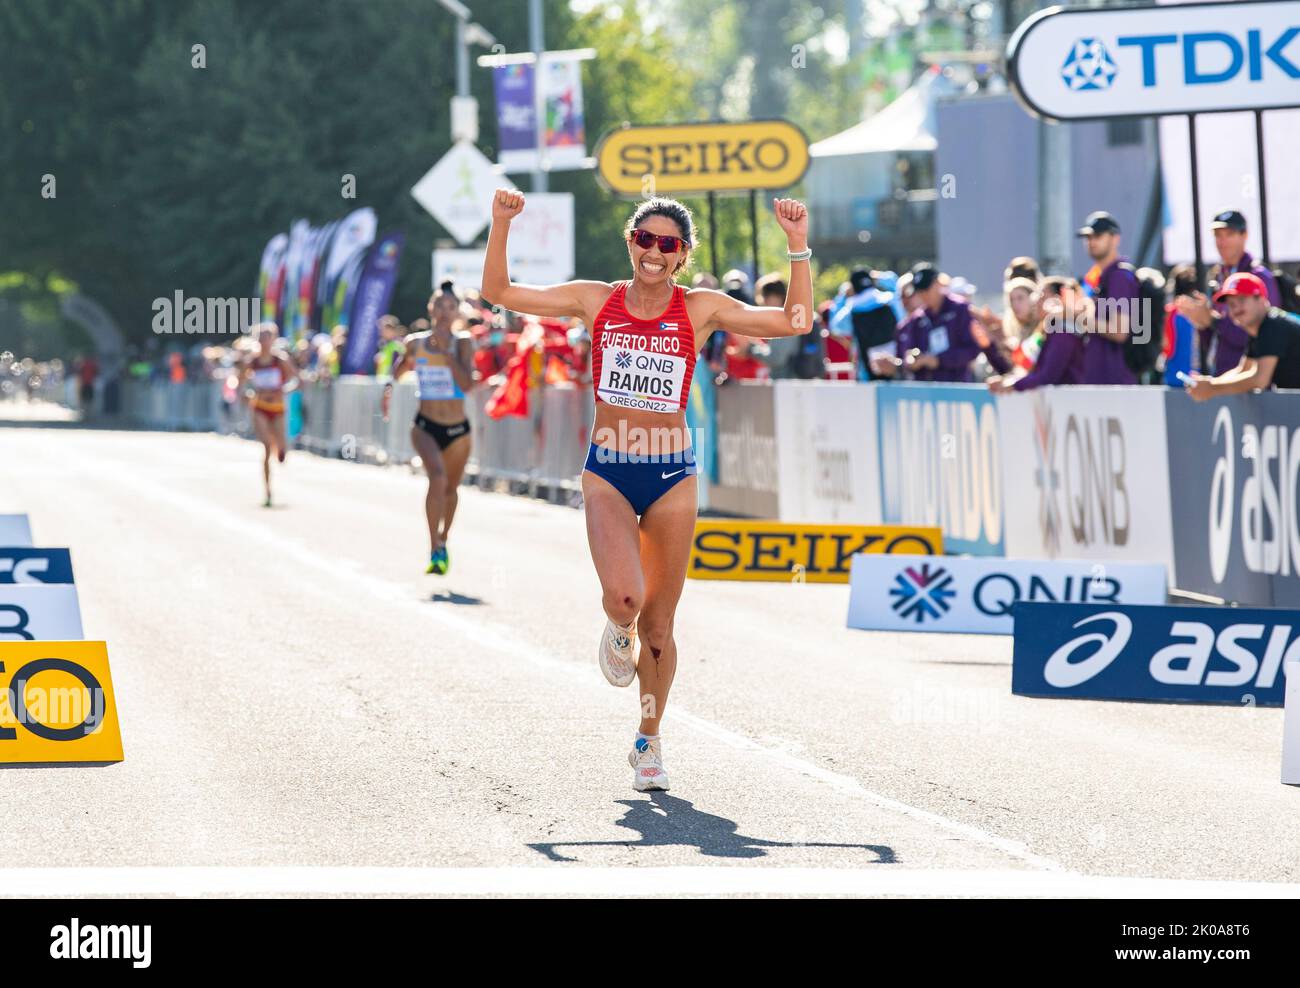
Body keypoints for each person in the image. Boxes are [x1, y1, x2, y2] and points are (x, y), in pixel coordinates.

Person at [481, 189, 812, 791]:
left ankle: (649, 740)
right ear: (630, 243)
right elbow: (501, 295)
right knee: (626, 601)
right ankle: (616, 626)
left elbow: (794, 323)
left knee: (661, 626)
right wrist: (501, 225)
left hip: (671, 476)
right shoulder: (595, 299)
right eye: (645, 240)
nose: (654, 253)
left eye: (668, 245)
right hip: (609, 469)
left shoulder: (700, 307)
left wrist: (796, 247)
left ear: (682, 256)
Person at [387, 283, 476, 575]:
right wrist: (392, 382)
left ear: (457, 312)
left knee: (451, 488)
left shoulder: (462, 342)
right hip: (425, 425)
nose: (444, 311)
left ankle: (444, 539)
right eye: (439, 305)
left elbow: (467, 384)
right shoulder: (415, 342)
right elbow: (398, 372)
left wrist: (447, 355)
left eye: (451, 306)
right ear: (431, 308)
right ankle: (433, 545)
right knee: (436, 478)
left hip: (457, 430)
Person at [1175, 209, 1281, 376]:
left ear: (1244, 235)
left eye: (1229, 234)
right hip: (1225, 377)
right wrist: (1202, 323)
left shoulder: (1258, 276)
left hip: (1252, 381)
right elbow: (1218, 340)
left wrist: (1212, 320)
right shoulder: (1218, 276)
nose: (1222, 241)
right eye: (1218, 235)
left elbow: (1262, 335)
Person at [883, 263, 1012, 382]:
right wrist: (912, 361)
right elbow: (907, 353)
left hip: (956, 388)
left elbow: (972, 349)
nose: (924, 295)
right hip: (926, 390)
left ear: (937, 284)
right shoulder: (917, 319)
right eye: (920, 291)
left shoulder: (960, 310)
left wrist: (939, 361)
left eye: (927, 290)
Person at [1186, 273, 1300, 400]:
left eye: (1242, 300)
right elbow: (1243, 370)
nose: (1236, 308)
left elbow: (1259, 379)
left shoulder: (1272, 325)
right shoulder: (1260, 329)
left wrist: (1211, 387)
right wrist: (1208, 383)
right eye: (1231, 304)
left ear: (1261, 299)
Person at [987, 277, 1088, 392]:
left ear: (1059, 300)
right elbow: (1033, 371)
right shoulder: (1050, 332)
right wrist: (1009, 381)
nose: (1036, 303)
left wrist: (1013, 385)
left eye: (1042, 297)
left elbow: (1047, 376)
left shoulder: (1064, 334)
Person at [1076, 211, 1141, 385]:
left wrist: (1078, 318)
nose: (1091, 242)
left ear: (1115, 239)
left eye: (1097, 236)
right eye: (1088, 237)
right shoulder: (1101, 277)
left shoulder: (1119, 277)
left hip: (1116, 383)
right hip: (1102, 382)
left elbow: (1119, 331)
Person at [242, 323, 298, 507]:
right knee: (266, 447)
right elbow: (240, 382)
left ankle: (280, 447)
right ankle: (268, 492)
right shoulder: (253, 361)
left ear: (273, 339)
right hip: (259, 406)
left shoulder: (279, 359)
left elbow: (294, 379)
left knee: (281, 448)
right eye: (261, 337)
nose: (264, 341)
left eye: (267, 337)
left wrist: (281, 390)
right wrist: (248, 393)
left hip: (277, 408)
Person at [1162, 265, 1199, 386]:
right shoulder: (1201, 314)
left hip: (1174, 378)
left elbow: (1166, 348)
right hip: (1198, 379)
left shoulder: (1170, 313)